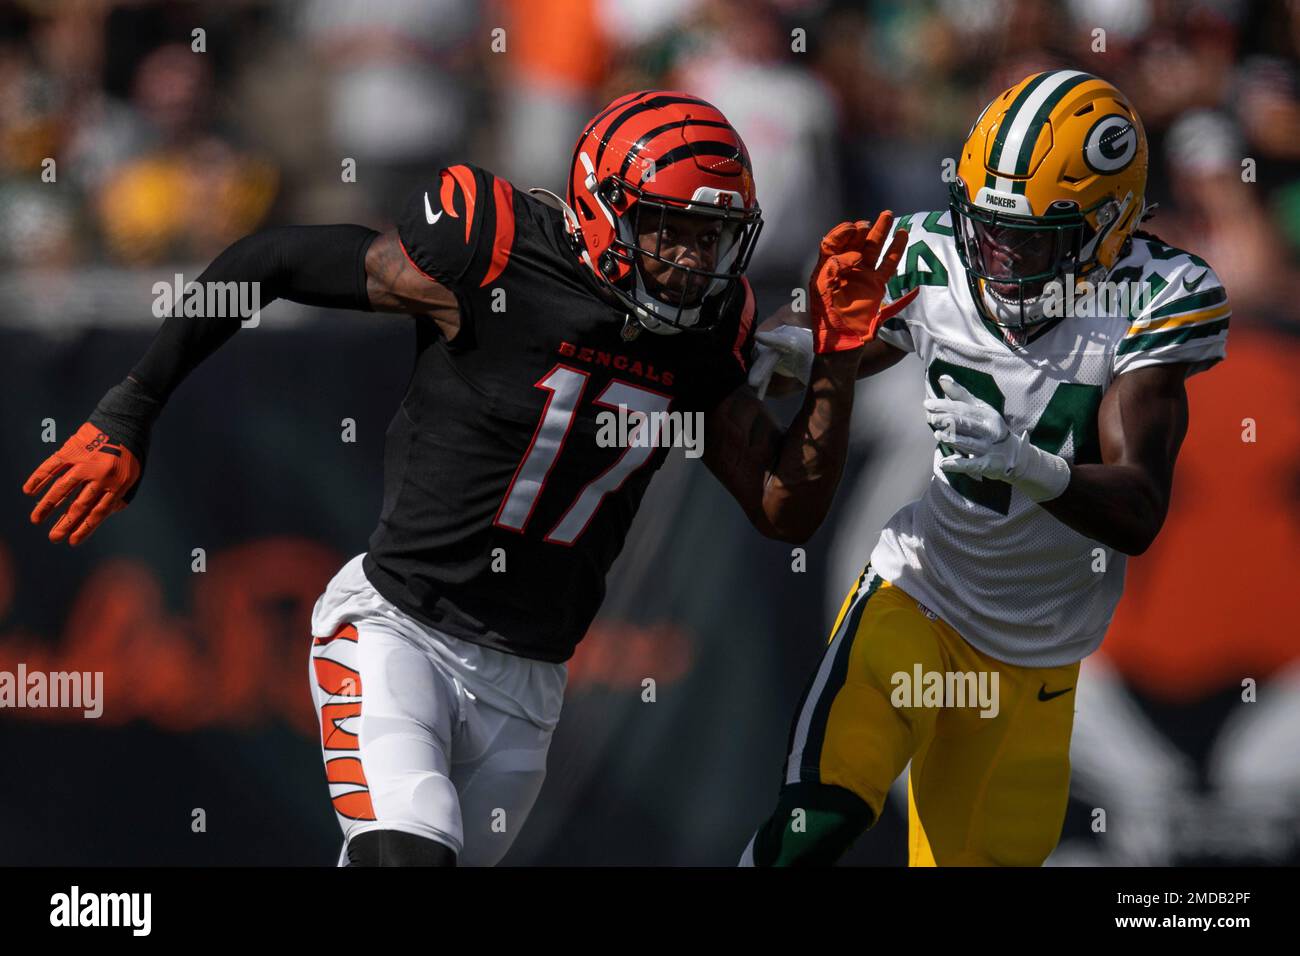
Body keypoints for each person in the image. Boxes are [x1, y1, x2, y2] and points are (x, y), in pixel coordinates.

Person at [22, 90, 907, 866]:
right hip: (397, 629)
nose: (687, 261)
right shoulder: (495, 253)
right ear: (601, 209)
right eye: (666, 230)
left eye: (710, 238)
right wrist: (130, 407)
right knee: (413, 846)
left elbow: (785, 509)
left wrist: (833, 362)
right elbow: (275, 261)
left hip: (529, 684)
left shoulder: (712, 337)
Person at [740, 70, 1230, 866]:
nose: (1000, 258)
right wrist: (796, 342)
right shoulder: (934, 255)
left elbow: (1138, 509)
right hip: (917, 593)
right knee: (819, 817)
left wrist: (1025, 465)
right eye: (988, 228)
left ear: (1109, 229)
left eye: (1032, 237)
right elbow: (821, 337)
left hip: (1036, 658)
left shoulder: (1153, 295)